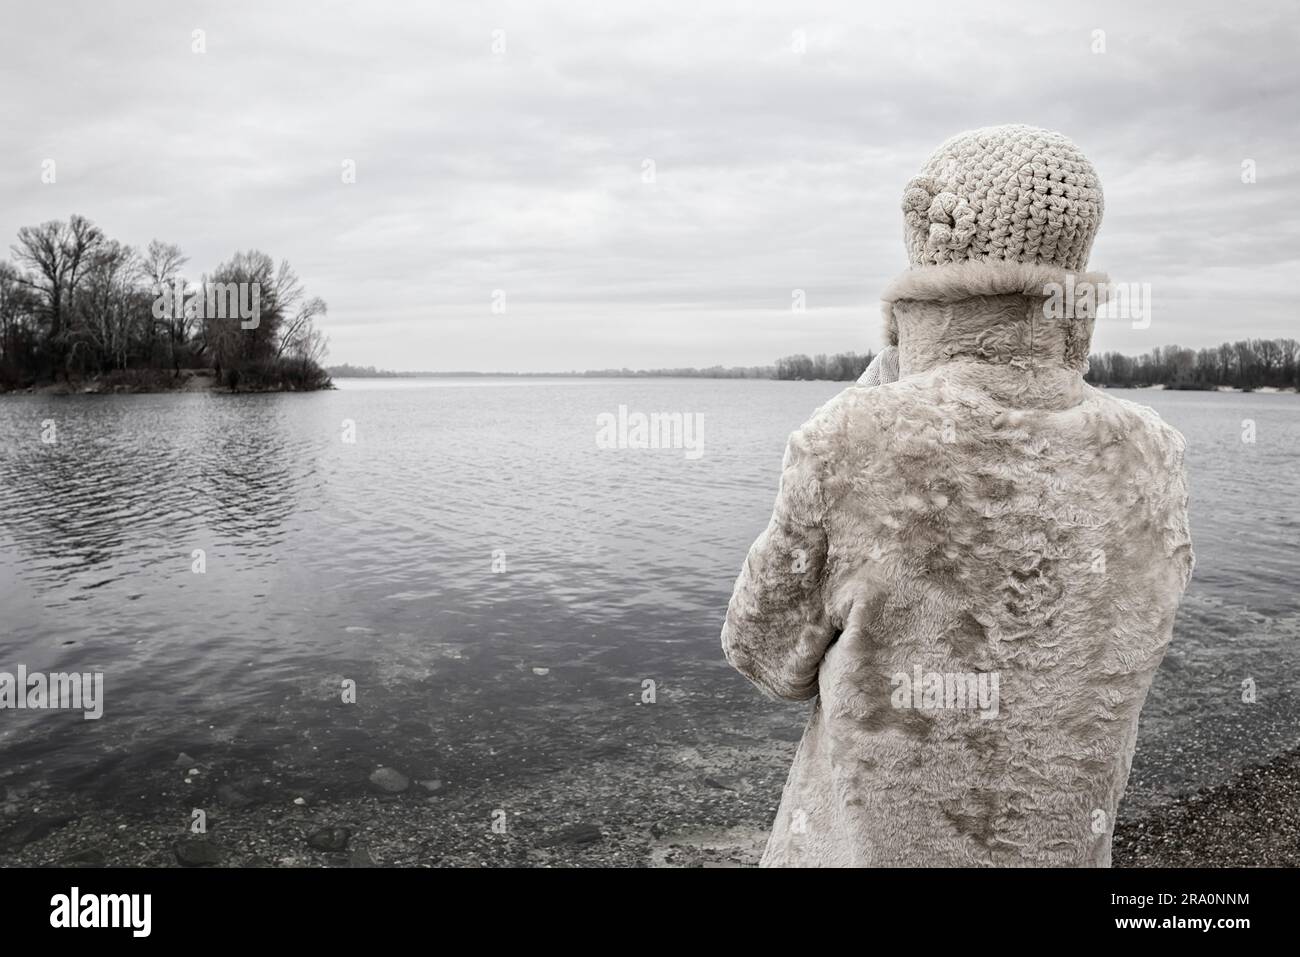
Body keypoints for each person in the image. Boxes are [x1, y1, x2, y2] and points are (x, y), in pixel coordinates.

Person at [721, 125, 1194, 867]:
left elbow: (765, 654)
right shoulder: (1150, 451)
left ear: (927, 250)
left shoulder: (853, 437)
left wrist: (887, 385)